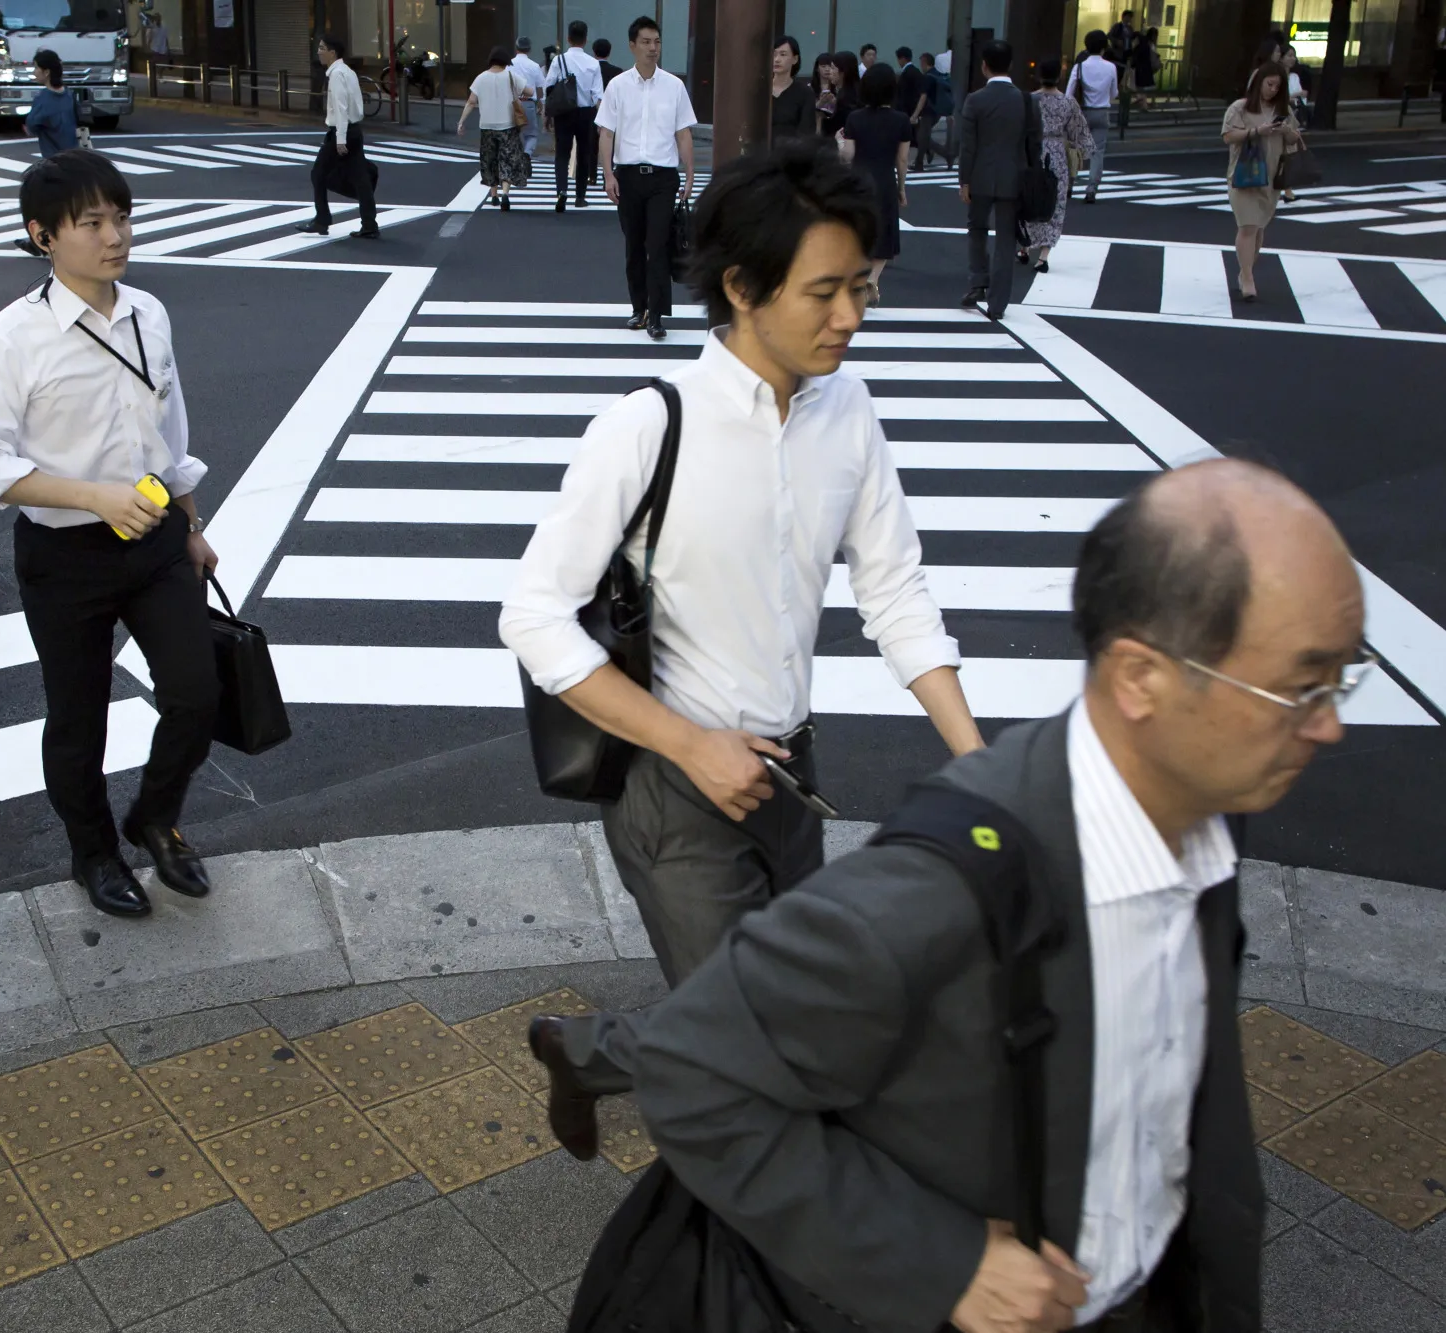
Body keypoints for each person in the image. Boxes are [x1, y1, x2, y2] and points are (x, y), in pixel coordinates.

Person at [532, 458, 1353, 1333]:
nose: (1329, 720)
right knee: (762, 1027)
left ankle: (589, 1050)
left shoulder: (1209, 817)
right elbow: (698, 1074)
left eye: (1344, 673)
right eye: (1298, 685)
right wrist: (945, 1264)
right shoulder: (938, 892)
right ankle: (585, 1051)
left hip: (1131, 1292)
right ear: (1141, 677)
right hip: (695, 790)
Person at [501, 141, 983, 991]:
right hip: (675, 786)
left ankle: (596, 1057)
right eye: (824, 292)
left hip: (792, 778)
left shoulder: (848, 409)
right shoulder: (648, 427)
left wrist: (977, 766)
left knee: (776, 1015)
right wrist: (689, 744)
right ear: (741, 288)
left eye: (861, 288)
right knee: (751, 1037)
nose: (850, 318)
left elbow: (893, 588)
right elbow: (534, 618)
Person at [0, 150, 218, 919]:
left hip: (157, 537)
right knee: (79, 717)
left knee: (196, 694)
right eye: (92, 222)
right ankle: (93, 852)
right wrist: (93, 497)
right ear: (43, 236)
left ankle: (154, 816)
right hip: (64, 554)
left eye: (122, 217)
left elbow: (169, 425)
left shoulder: (149, 312)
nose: (115, 236)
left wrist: (190, 521)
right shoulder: (11, 340)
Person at [596, 15, 696, 342]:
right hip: (627, 176)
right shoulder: (618, 86)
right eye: (646, 42)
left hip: (663, 178)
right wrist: (608, 174)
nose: (653, 48)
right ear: (632, 46)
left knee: (658, 245)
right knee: (634, 247)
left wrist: (690, 172)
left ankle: (656, 315)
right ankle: (638, 308)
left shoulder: (674, 86)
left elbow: (683, 134)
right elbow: (606, 134)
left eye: (657, 42)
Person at [957, 40, 1040, 319]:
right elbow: (1033, 143)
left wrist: (964, 181)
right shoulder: (1026, 100)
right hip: (1013, 177)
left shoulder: (975, 99)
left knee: (976, 228)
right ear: (1011, 66)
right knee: (1006, 239)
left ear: (984, 66)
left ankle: (978, 281)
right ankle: (998, 303)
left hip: (980, 175)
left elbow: (967, 146)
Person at [1223, 63, 1301, 303]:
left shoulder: (1283, 109)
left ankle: (1245, 271)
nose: (1273, 90)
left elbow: (1295, 139)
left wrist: (1286, 130)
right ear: (1258, 84)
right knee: (1247, 226)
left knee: (1258, 229)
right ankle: (1247, 278)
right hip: (1244, 175)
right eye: (1269, 84)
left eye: (1278, 86)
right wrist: (1257, 131)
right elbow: (1228, 136)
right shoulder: (1240, 108)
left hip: (1272, 177)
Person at [838, 62, 910, 306]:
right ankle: (873, 279)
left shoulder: (855, 118)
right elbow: (902, 159)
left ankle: (860, 279)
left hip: (858, 180)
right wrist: (901, 188)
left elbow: (848, 154)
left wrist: (840, 141)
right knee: (885, 233)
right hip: (885, 180)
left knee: (858, 230)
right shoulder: (901, 121)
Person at [295, 34, 378, 238]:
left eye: (322, 48)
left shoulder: (337, 74)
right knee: (360, 179)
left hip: (343, 132)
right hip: (354, 131)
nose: (319, 51)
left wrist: (340, 139)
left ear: (333, 52)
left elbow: (341, 108)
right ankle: (369, 225)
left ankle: (322, 220)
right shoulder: (347, 71)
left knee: (318, 173)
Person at [1019, 58, 1095, 274]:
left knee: (1027, 198)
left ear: (1038, 76)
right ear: (1059, 77)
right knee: (1054, 202)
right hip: (1056, 154)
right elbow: (1079, 135)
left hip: (1031, 152)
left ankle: (1024, 246)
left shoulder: (1028, 100)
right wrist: (1083, 150)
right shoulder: (1068, 102)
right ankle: (1043, 257)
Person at [458, 46, 529, 209]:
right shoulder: (511, 76)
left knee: (490, 160)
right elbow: (530, 91)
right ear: (505, 62)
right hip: (508, 126)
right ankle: (505, 194)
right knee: (507, 159)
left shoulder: (480, 78)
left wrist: (461, 121)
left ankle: (494, 195)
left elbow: (471, 102)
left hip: (487, 126)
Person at [546, 20, 603, 211]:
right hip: (586, 113)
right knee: (584, 154)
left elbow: (549, 87)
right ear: (586, 40)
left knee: (562, 153)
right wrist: (601, 121)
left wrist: (547, 115)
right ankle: (580, 196)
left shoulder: (558, 60)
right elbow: (598, 95)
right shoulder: (593, 64)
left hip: (563, 112)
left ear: (568, 38)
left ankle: (562, 190)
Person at [1065, 30, 1117, 202]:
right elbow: (1114, 93)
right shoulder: (1111, 67)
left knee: (1074, 150)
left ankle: (1069, 187)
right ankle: (1091, 190)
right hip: (1101, 112)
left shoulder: (1079, 67)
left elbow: (1069, 94)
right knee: (1097, 152)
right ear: (1104, 48)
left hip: (1081, 112)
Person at [25, 48, 78, 159]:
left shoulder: (42, 99)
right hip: (74, 156)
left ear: (46, 72)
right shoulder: (69, 95)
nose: (34, 71)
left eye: (36, 67)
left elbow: (32, 126)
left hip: (53, 158)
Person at [769, 36, 814, 140]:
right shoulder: (761, 91)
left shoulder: (805, 93)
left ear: (795, 59)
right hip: (760, 153)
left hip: (791, 153)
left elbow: (806, 132)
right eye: (774, 54)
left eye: (783, 54)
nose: (777, 59)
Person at [509, 36, 544, 165]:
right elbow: (540, 87)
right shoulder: (535, 66)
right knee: (531, 134)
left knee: (512, 132)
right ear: (529, 49)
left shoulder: (509, 64)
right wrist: (540, 102)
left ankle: (514, 159)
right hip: (529, 103)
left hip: (512, 103)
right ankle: (527, 153)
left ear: (516, 48)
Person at [916, 51, 951, 168]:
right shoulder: (938, 74)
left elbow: (923, 97)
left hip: (928, 111)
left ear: (924, 62)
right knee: (923, 137)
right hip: (937, 110)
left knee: (923, 137)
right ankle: (919, 162)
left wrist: (915, 114)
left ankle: (947, 155)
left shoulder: (927, 77)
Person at [893, 45, 929, 132]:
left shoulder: (908, 73)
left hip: (909, 113)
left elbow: (923, 94)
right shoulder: (915, 72)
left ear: (902, 59)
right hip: (910, 113)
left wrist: (914, 115)